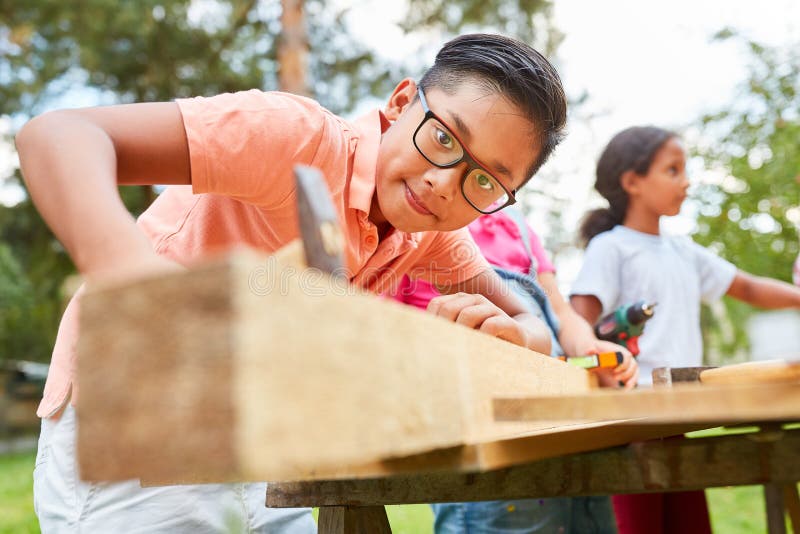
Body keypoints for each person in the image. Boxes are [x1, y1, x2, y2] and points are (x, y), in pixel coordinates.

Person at [17, 34, 568, 532]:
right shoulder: (297, 138)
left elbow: (528, 312)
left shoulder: (425, 230)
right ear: (401, 104)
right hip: (137, 428)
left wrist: (520, 335)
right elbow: (60, 134)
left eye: (483, 180)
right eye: (444, 139)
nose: (443, 183)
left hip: (258, 443)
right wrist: (137, 280)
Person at [569, 125, 800, 534]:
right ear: (632, 182)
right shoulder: (612, 247)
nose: (686, 181)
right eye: (673, 170)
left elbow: (746, 286)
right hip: (631, 420)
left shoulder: (683, 251)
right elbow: (578, 321)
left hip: (678, 413)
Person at [393, 207, 638, 534]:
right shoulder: (411, 223)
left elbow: (560, 314)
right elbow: (391, 338)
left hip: (566, 430)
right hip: (485, 444)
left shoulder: (518, 228)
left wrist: (589, 348)